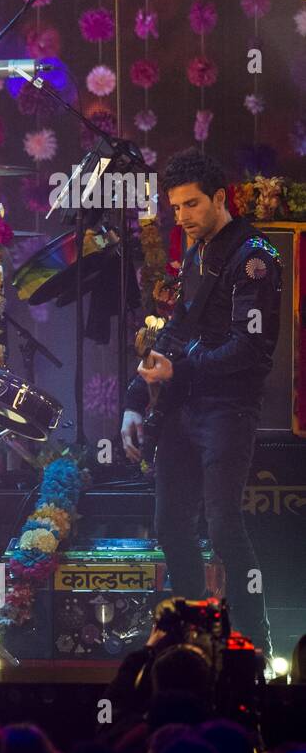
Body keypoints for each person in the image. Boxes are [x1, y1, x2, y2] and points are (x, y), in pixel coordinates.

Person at [120, 149, 281, 653]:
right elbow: (176, 330)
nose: (182, 217)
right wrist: (132, 399)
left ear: (219, 198)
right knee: (171, 524)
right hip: (182, 408)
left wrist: (181, 368)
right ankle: (194, 638)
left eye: (191, 205)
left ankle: (257, 644)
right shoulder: (198, 251)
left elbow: (251, 347)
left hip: (227, 410)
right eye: (175, 208)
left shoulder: (254, 258)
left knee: (224, 525)